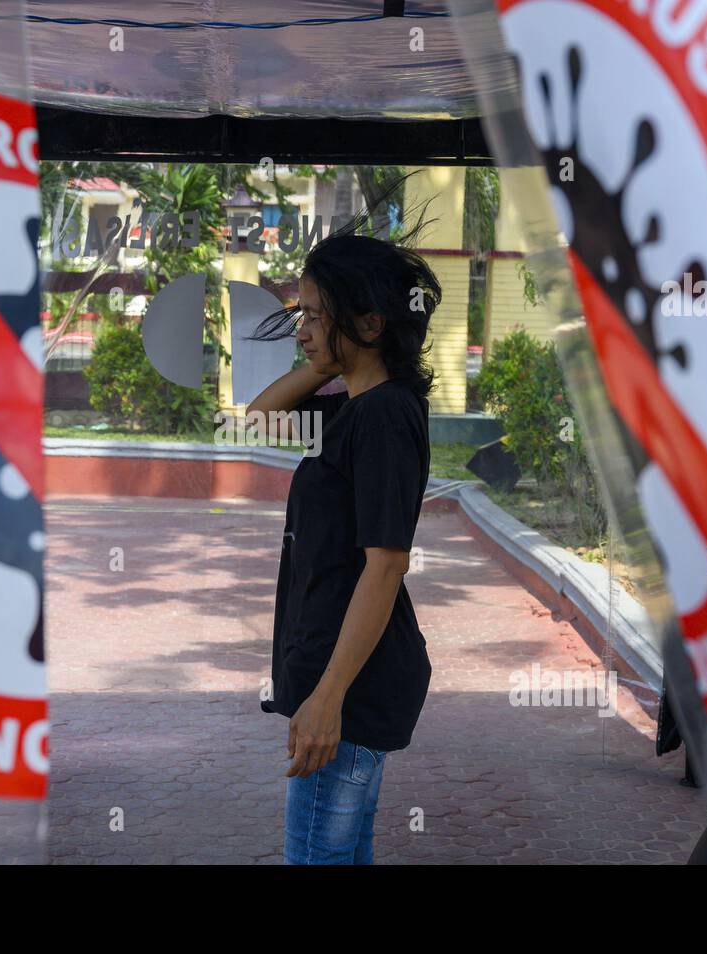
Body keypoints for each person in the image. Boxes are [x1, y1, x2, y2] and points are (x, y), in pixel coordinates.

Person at [247, 182, 438, 864]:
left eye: (316, 317)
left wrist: (328, 698)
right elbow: (260, 417)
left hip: (349, 691)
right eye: (302, 315)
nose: (301, 330)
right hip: (339, 681)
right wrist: (322, 356)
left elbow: (386, 564)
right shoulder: (354, 408)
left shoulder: (383, 418)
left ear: (370, 323)